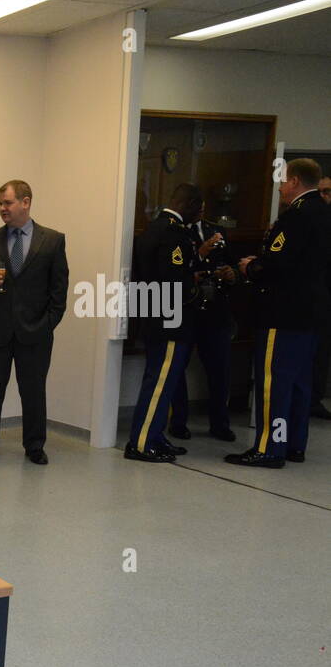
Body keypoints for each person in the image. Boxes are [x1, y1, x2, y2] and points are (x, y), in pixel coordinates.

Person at [230, 158, 331, 467]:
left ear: (296, 182)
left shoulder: (295, 218)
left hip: (283, 314)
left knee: (274, 383)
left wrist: (251, 268)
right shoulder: (326, 213)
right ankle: (293, 443)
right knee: (300, 383)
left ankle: (268, 447)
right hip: (313, 314)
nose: (281, 188)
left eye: (284, 182)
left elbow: (276, 265)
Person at [0, 180, 68, 465]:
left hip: (36, 332)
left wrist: (47, 325)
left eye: (7, 203)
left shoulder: (53, 240)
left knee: (34, 391)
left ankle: (35, 445)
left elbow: (59, 292)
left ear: (25, 202)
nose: (2, 209)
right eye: (0, 203)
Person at [124, 184, 220, 463]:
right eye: (198, 209)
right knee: (159, 382)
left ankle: (155, 436)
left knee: (162, 382)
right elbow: (173, 280)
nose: (199, 216)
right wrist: (196, 290)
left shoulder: (155, 228)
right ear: (188, 204)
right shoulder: (172, 233)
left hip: (156, 316)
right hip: (169, 320)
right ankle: (142, 443)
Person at [166, 204, 238, 443]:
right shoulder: (176, 232)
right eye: (197, 207)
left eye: (204, 207)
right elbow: (175, 270)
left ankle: (220, 424)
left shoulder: (215, 230)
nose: (201, 211)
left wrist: (231, 273)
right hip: (188, 309)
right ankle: (178, 422)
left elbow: (231, 261)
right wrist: (201, 254)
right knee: (177, 368)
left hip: (216, 310)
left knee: (220, 370)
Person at [310, 174, 331, 420]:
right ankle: (310, 399)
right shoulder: (311, 221)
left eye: (327, 192)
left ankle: (314, 399)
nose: (323, 197)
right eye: (320, 191)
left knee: (321, 351)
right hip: (315, 297)